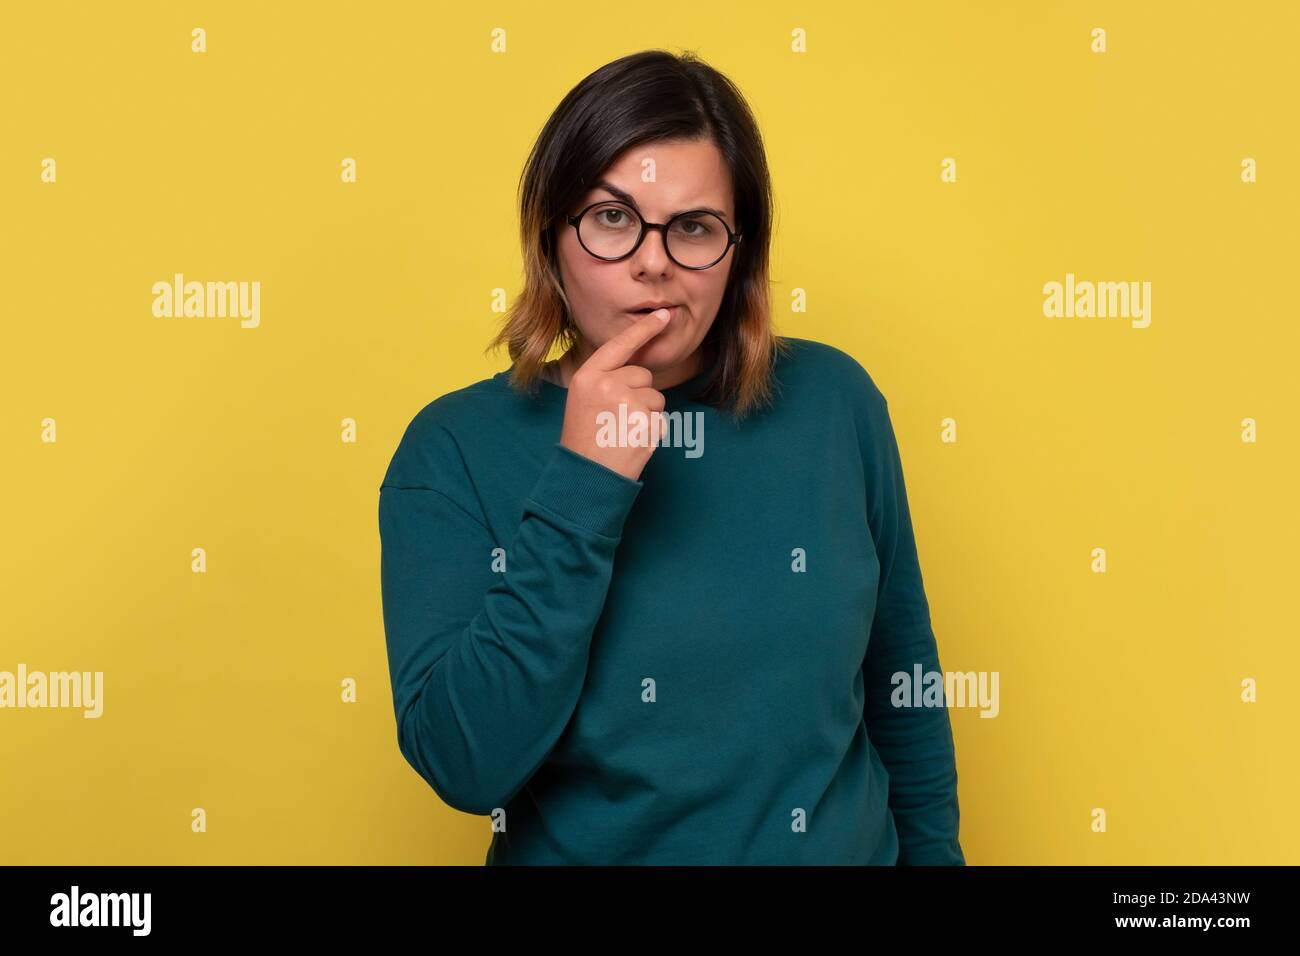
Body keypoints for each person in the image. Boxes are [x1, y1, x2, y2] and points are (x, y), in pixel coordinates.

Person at [378, 49, 965, 865]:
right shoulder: (454, 449)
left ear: (739, 253)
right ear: (551, 235)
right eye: (613, 218)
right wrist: (583, 484)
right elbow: (464, 763)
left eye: (693, 227)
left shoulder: (836, 405)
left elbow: (906, 695)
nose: (654, 261)